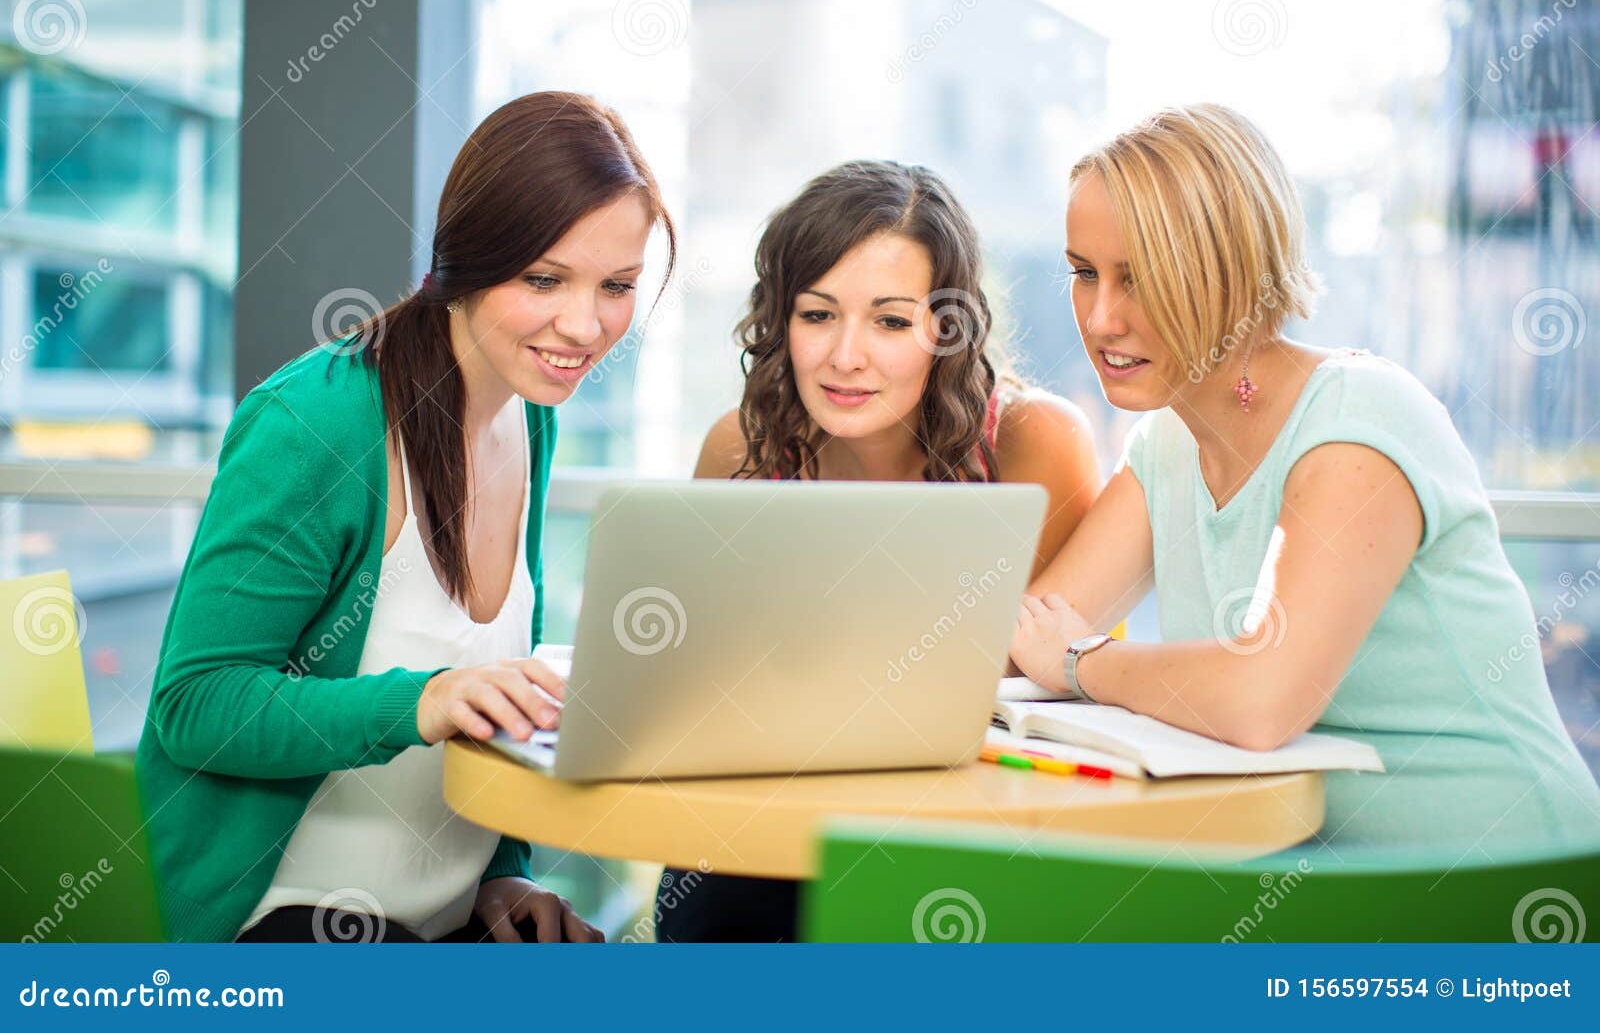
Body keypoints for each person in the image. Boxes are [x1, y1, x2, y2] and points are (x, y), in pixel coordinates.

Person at [136, 91, 677, 941]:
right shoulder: (317, 421)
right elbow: (198, 704)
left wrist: (502, 875)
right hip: (282, 923)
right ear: (465, 259)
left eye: (617, 286)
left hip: (445, 921)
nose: (585, 324)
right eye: (543, 278)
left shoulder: (529, 414)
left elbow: (486, 685)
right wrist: (419, 702)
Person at [1009, 102, 1600, 856]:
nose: (1099, 319)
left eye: (1139, 277)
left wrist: (1081, 660)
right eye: (1084, 273)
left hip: (1505, 885)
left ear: (1234, 273)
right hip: (1320, 890)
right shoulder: (1164, 446)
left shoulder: (1359, 415)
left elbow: (1261, 699)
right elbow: (1028, 635)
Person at [661, 159, 1102, 940]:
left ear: (947, 328)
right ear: (779, 320)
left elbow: (1031, 672)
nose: (845, 356)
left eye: (891, 322)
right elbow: (704, 682)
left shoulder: (1034, 443)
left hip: (970, 834)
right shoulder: (741, 448)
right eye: (818, 314)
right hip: (767, 824)